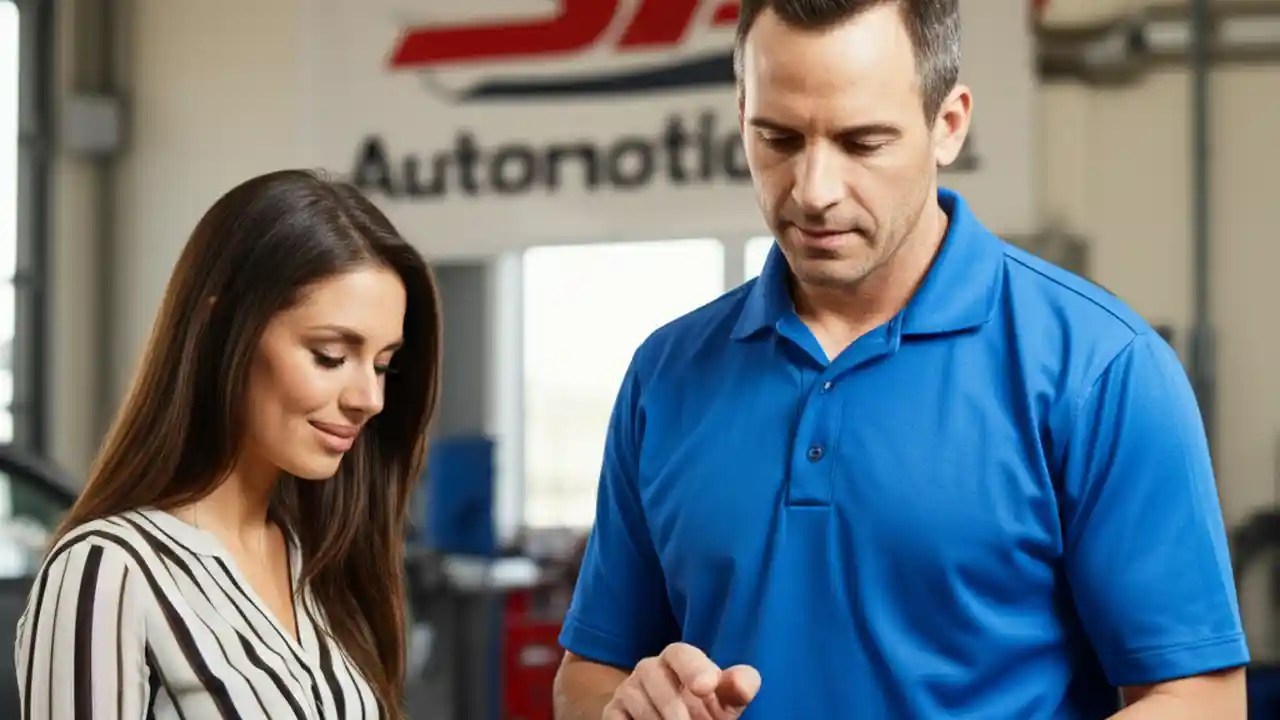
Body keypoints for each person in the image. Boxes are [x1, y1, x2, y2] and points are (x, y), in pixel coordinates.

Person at [553, 1, 1251, 718]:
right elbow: (586, 677)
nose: (813, 191)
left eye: (862, 143)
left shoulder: (1101, 370)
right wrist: (623, 709)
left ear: (947, 124)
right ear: (741, 118)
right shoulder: (665, 375)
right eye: (779, 138)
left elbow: (1201, 697)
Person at [14, 169, 441, 720]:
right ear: (223, 328)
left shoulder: (318, 560)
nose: (370, 397)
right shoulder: (107, 570)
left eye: (383, 365)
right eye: (330, 355)